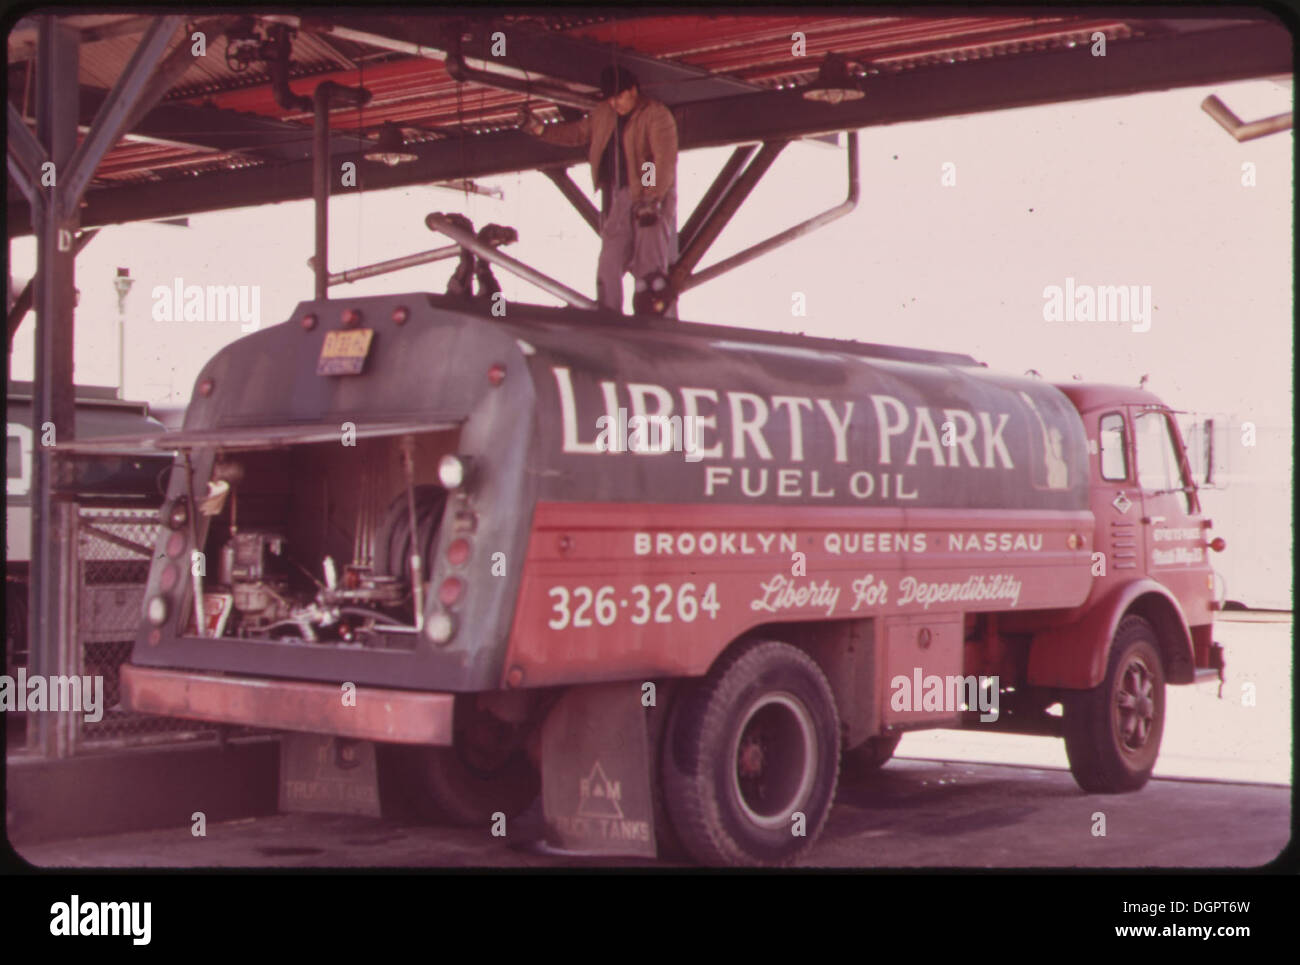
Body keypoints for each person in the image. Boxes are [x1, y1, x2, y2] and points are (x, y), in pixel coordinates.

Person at [524, 65, 678, 316]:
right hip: (621, 196)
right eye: (610, 98)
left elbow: (657, 159)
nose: (614, 103)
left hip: (649, 194)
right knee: (609, 260)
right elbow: (578, 134)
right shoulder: (604, 114)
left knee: (649, 265)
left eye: (619, 96)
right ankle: (608, 313)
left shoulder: (655, 116)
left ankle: (651, 313)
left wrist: (651, 197)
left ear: (633, 90)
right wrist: (542, 130)